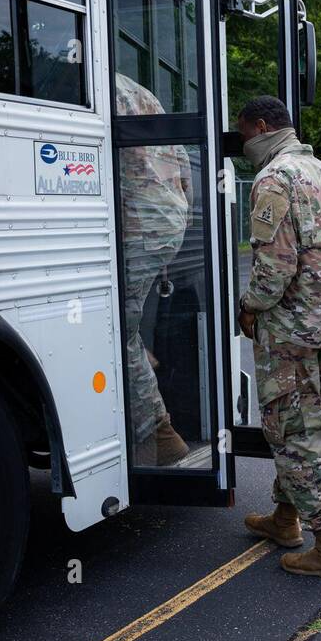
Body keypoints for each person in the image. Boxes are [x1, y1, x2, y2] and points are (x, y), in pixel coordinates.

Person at [236, 96, 321, 579]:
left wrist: (248, 306)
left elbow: (275, 266)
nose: (243, 145)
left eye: (243, 135)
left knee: (296, 433)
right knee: (310, 426)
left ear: (262, 127)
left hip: (290, 330)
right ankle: (285, 519)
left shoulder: (274, 178)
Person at [116, 72, 192, 466]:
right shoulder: (141, 90)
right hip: (167, 220)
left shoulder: (96, 85)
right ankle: (143, 356)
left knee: (117, 329)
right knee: (127, 317)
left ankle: (161, 432)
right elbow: (180, 162)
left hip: (136, 223)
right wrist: (182, 211)